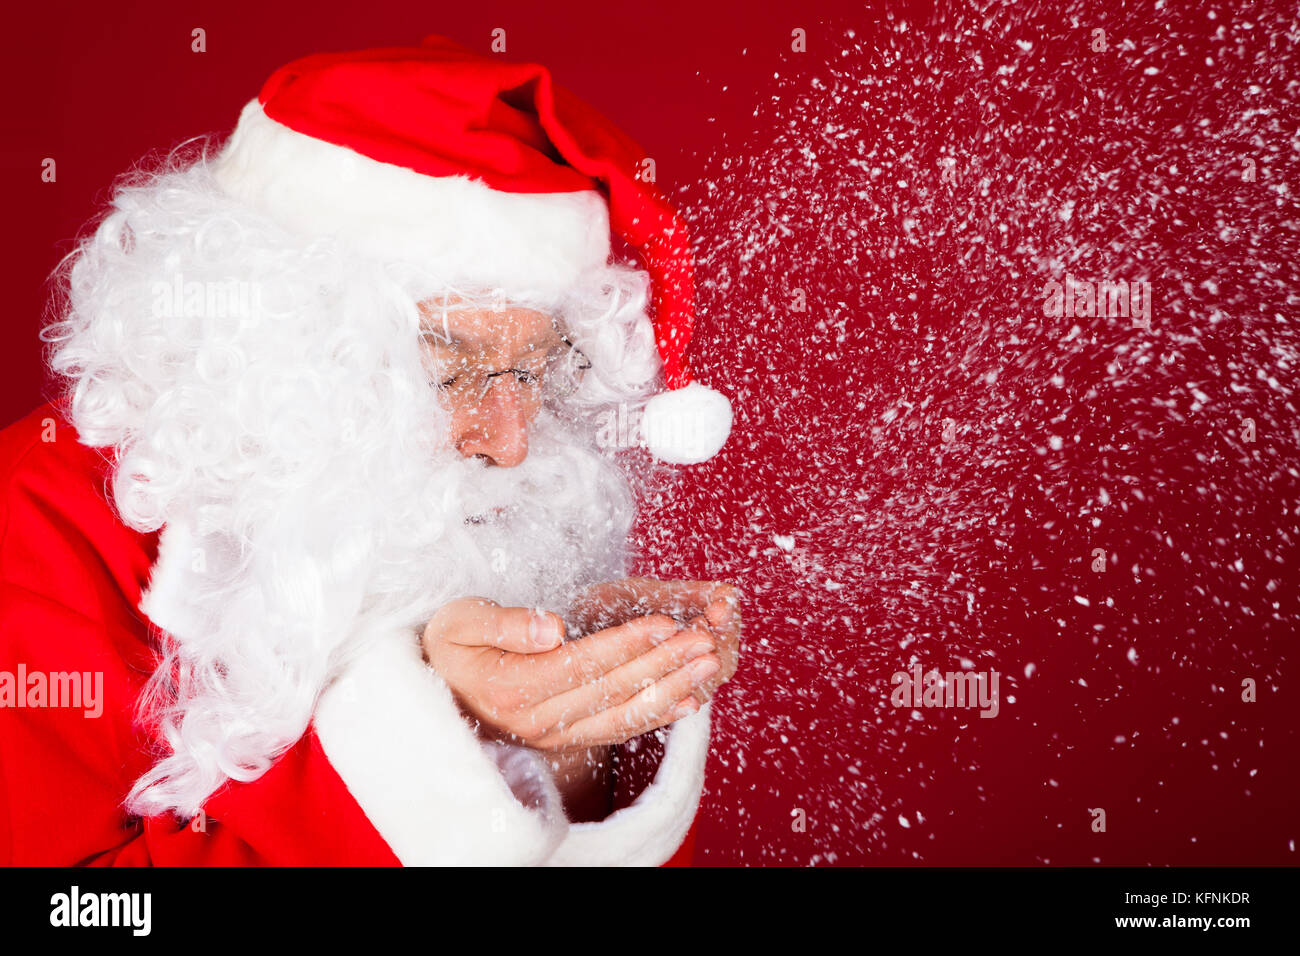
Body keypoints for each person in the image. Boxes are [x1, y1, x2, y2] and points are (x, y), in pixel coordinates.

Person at [0, 35, 738, 865]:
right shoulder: (32, 529)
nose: (510, 441)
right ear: (279, 345)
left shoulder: (488, 496)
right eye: (446, 368)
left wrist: (574, 733)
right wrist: (430, 732)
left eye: (534, 373)